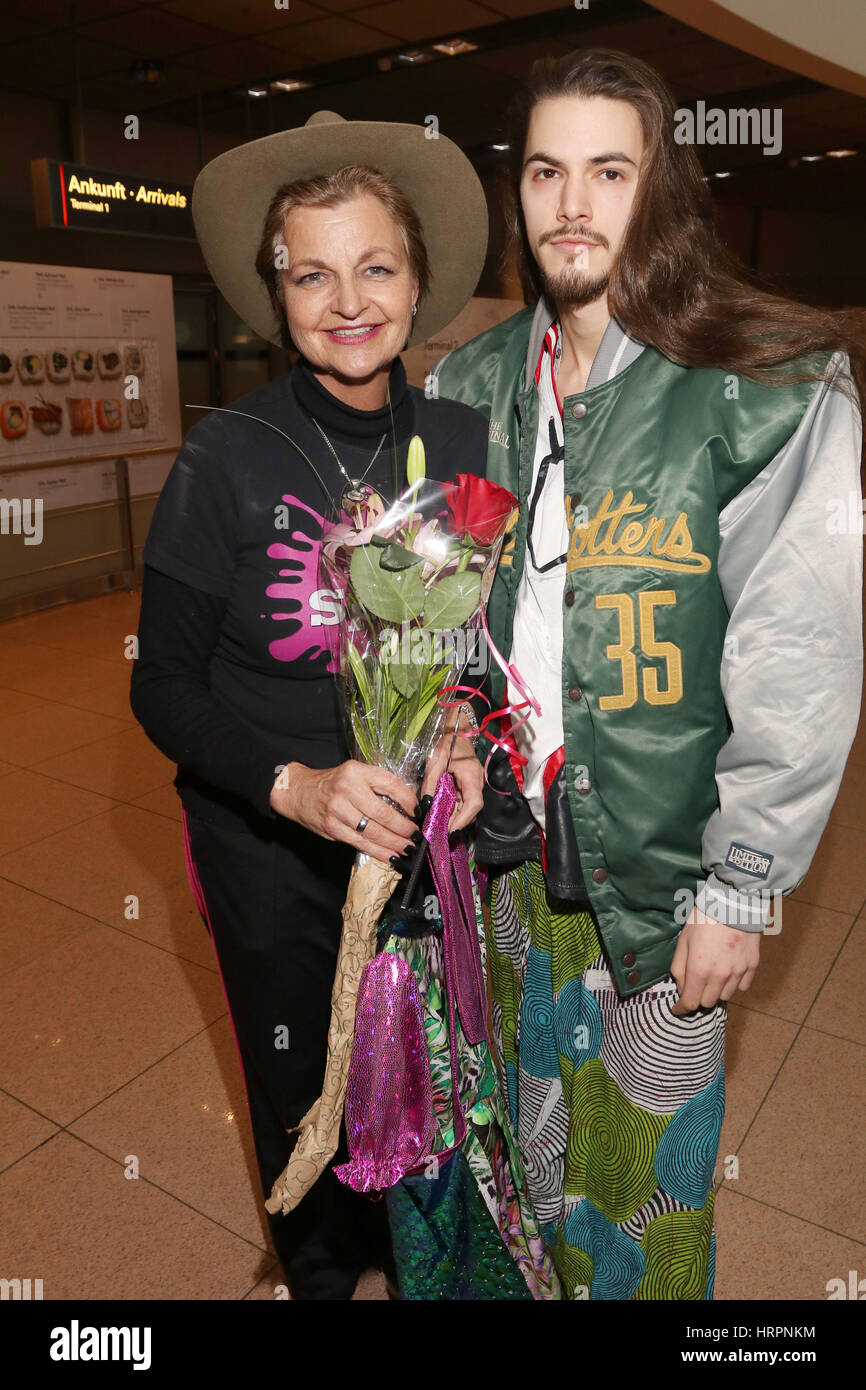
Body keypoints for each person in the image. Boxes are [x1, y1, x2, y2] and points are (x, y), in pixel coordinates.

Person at [430, 48, 864, 1300]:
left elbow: (797, 655)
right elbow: (456, 614)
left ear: (657, 190)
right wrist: (441, 733)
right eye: (545, 171)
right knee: (523, 1168)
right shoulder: (471, 384)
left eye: (607, 173)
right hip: (508, 870)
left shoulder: (766, 382)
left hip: (667, 884)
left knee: (641, 1212)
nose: (571, 204)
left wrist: (742, 884)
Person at [130, 110, 491, 1299]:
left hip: (415, 836)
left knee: (418, 1063)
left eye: (375, 266)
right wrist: (293, 785)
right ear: (273, 291)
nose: (348, 299)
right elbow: (162, 683)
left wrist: (464, 728)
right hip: (265, 837)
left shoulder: (458, 445)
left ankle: (420, 1255)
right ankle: (318, 1268)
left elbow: (485, 651)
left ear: (418, 281)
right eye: (312, 272)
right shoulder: (226, 456)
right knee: (300, 1069)